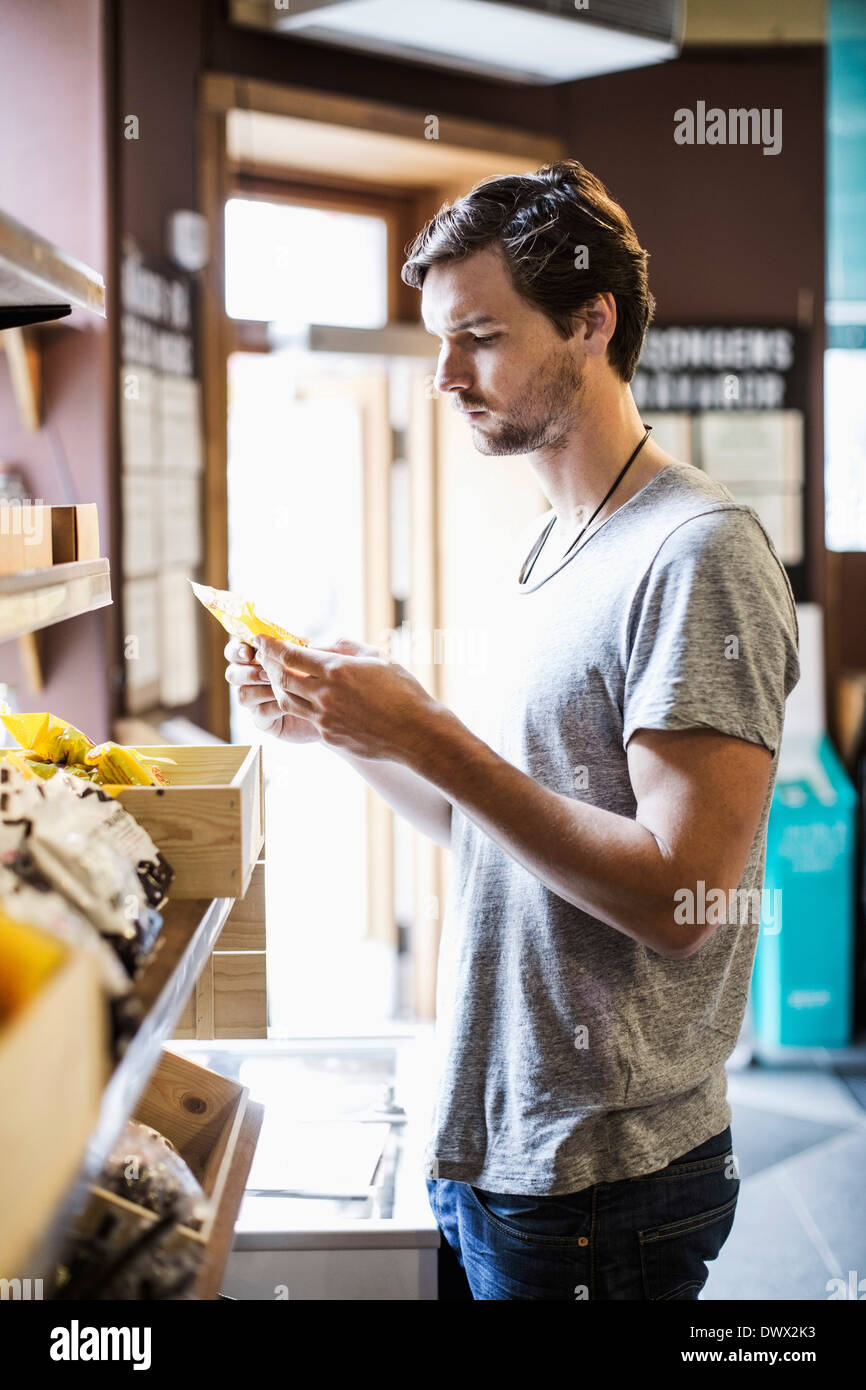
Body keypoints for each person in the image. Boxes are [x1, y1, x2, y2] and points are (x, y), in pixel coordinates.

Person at [224, 159, 800, 1301]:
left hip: (606, 1180)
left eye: (477, 336)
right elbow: (488, 825)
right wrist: (343, 727)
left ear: (590, 323)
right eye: (438, 338)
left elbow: (681, 895)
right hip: (497, 1137)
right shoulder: (542, 549)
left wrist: (427, 731)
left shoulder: (697, 552)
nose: (442, 376)